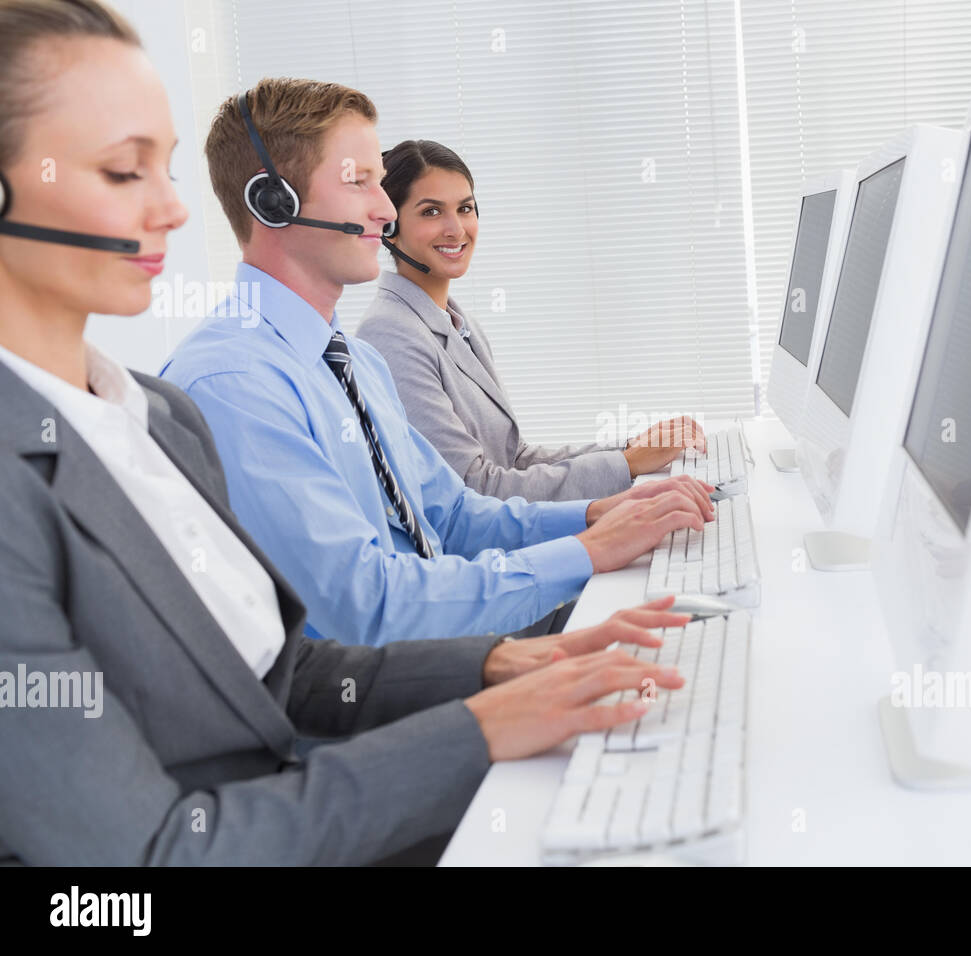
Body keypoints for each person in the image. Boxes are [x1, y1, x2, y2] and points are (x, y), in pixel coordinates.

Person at [0, 0, 685, 866]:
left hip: (336, 766)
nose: (173, 211)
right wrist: (476, 729)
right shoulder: (216, 390)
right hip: (282, 823)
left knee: (670, 764)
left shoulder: (154, 417)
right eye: (122, 171)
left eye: (166, 169)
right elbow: (142, 865)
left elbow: (281, 671)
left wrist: (494, 667)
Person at [161, 77, 716, 646]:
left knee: (696, 628)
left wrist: (600, 513)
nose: (383, 211)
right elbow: (366, 606)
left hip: (445, 648)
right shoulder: (234, 385)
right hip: (383, 697)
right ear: (272, 203)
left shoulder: (354, 364)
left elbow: (453, 516)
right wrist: (585, 553)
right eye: (360, 183)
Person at [358, 138, 708, 502]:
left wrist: (630, 448)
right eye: (431, 212)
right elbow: (475, 488)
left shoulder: (458, 324)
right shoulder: (391, 334)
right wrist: (628, 463)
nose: (456, 229)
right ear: (389, 226)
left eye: (465, 208)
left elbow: (514, 459)